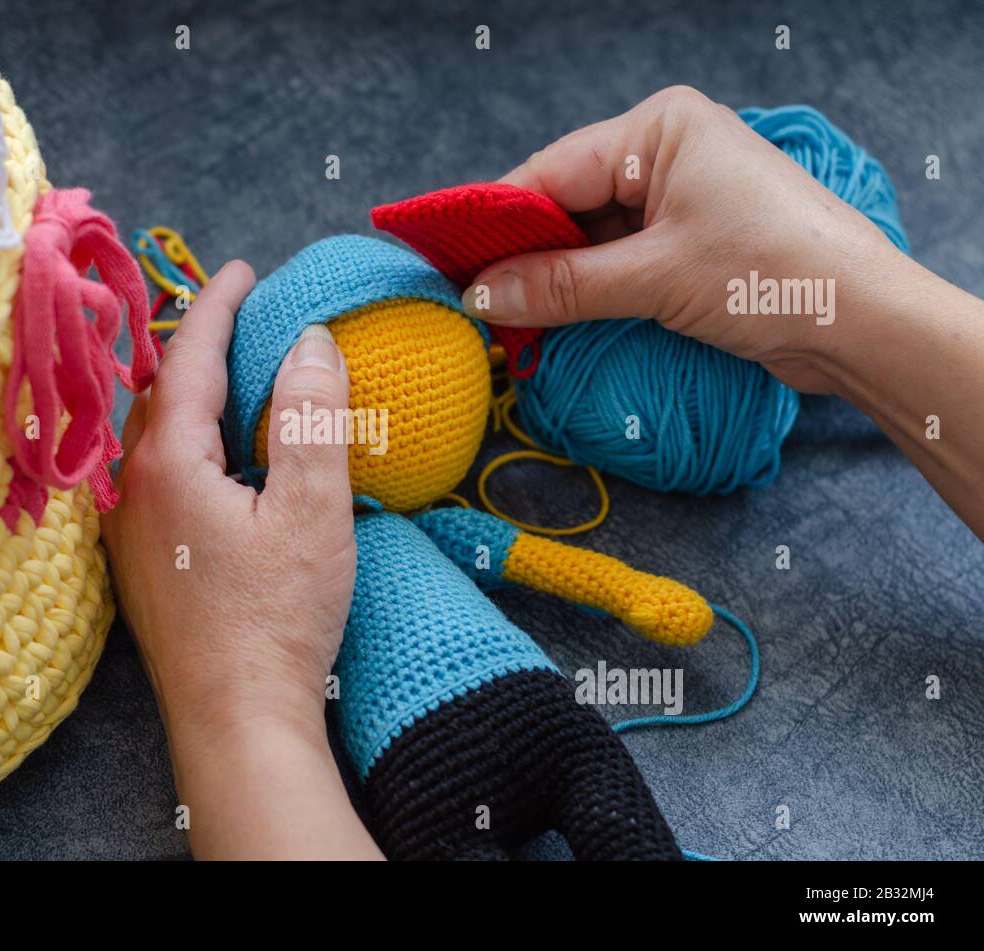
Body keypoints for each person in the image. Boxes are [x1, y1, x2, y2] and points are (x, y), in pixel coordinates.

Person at [100, 86, 984, 860]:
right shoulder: (361, 541)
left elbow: (508, 552)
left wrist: (233, 705)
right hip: (449, 749)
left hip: (498, 718)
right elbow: (502, 551)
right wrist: (855, 312)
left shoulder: (307, 565)